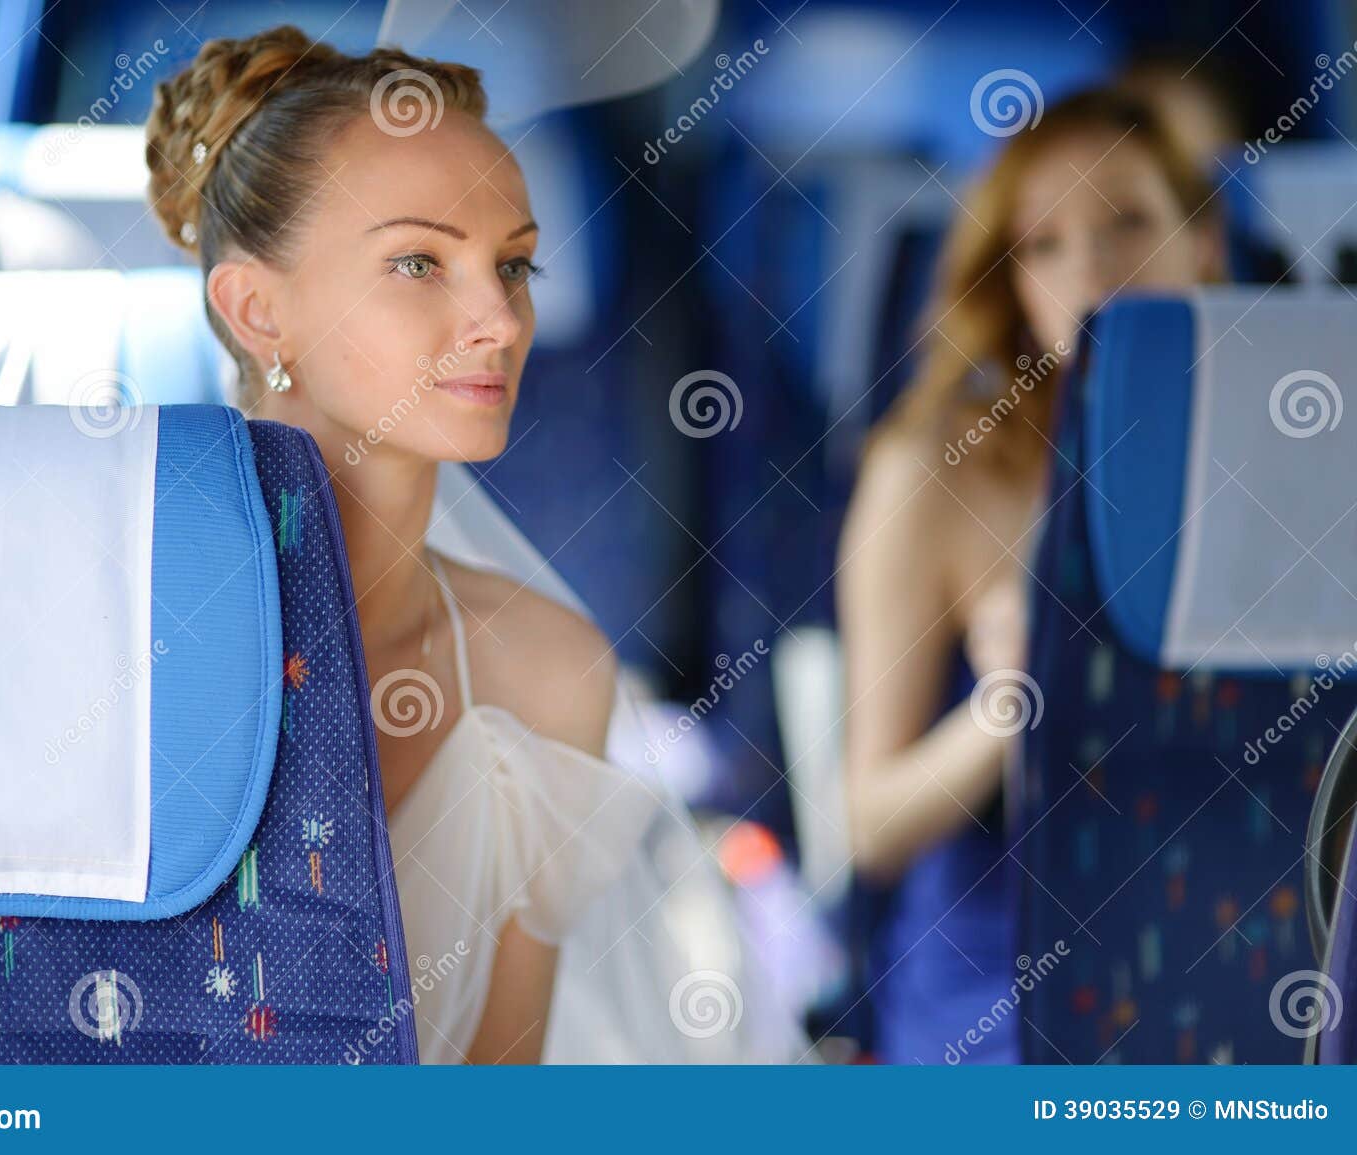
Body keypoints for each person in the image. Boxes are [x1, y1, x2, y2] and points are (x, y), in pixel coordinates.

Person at [145, 25, 776, 1065]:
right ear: (258, 310)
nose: (501, 320)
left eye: (513, 265)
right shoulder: (123, 640)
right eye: (417, 262)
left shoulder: (546, 675)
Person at [837, 88, 1226, 1063]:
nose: (1091, 268)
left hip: (1244, 938)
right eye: (1044, 244)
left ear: (1204, 244)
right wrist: (1008, 704)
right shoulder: (933, 473)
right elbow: (868, 825)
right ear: (1010, 282)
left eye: (1127, 221)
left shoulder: (1287, 449)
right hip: (1006, 983)